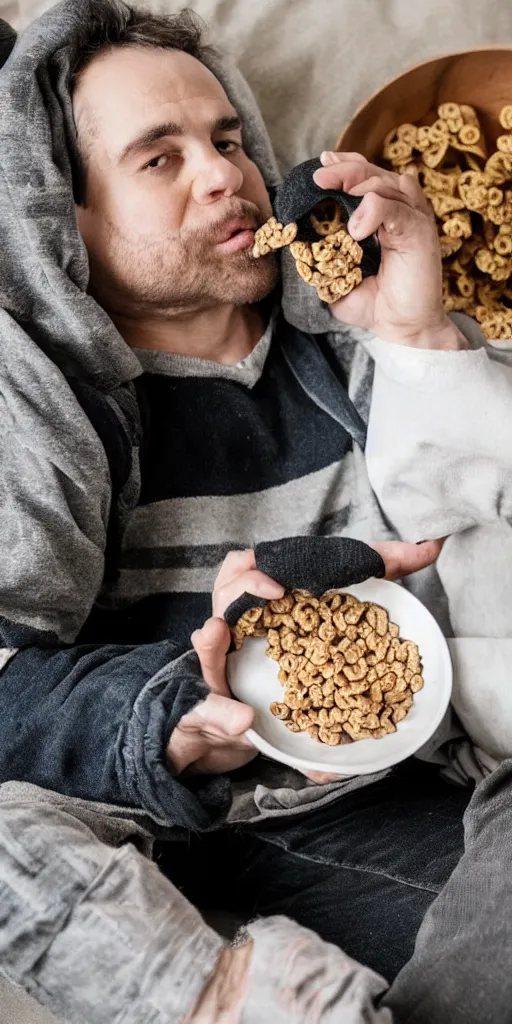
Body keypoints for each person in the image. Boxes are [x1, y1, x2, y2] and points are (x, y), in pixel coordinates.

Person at [0, 2, 512, 1021]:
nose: (224, 172)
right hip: (202, 827)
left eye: (226, 137)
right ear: (68, 214)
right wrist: (171, 705)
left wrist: (420, 338)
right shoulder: (53, 408)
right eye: (160, 159)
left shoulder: (352, 338)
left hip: (433, 784)